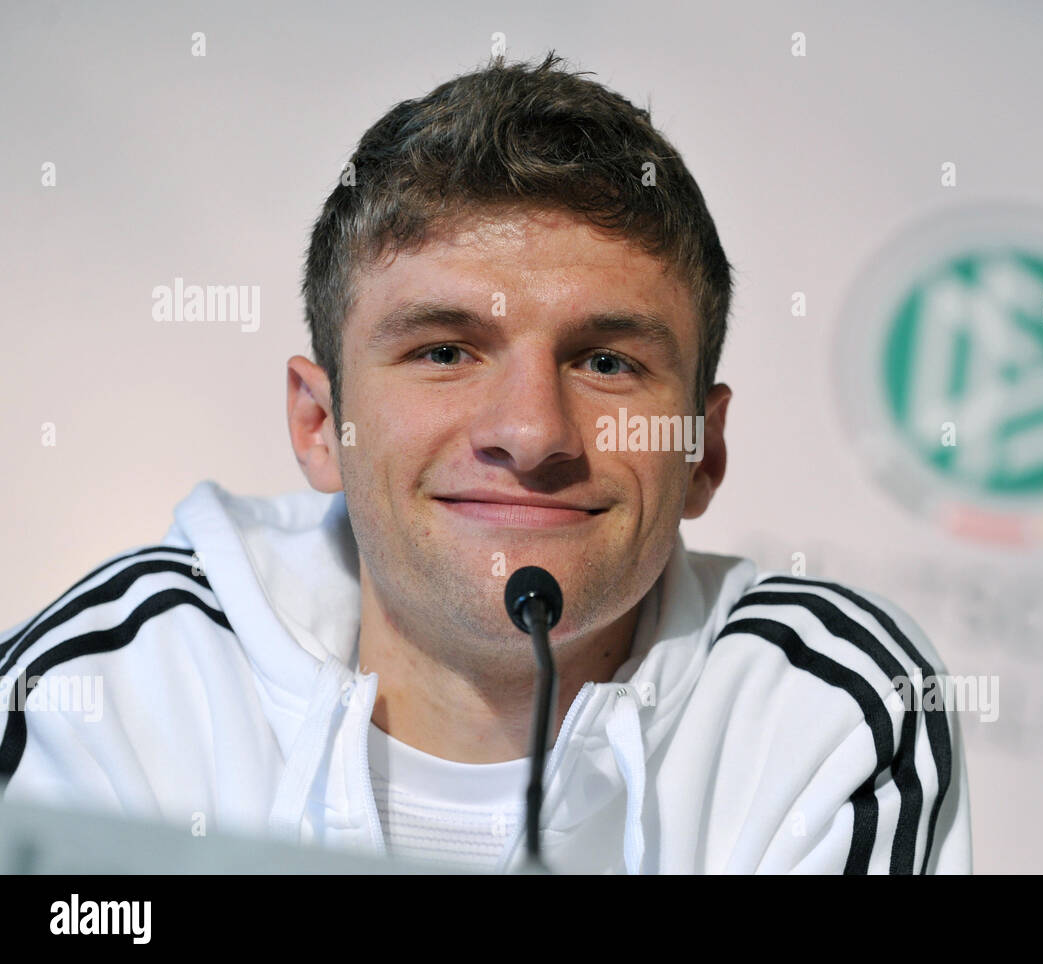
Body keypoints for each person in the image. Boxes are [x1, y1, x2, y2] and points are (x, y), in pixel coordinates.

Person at [0, 51, 971, 874]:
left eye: (605, 362)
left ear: (702, 453)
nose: (532, 431)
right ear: (317, 424)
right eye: (445, 351)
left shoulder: (826, 708)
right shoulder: (109, 689)